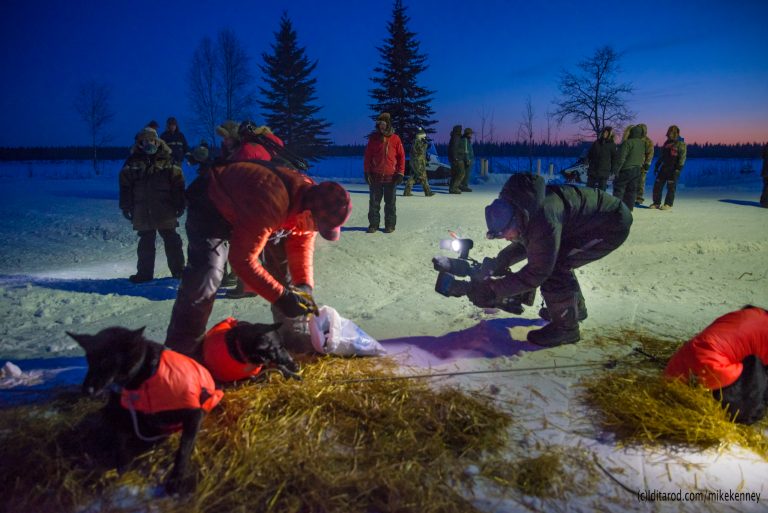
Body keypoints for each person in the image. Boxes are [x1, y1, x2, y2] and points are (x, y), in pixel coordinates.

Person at [165, 160, 352, 360]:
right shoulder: (272, 201)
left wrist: (304, 286)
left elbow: (301, 245)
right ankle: (182, 352)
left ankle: (293, 337)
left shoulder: (310, 202)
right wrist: (281, 298)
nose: (315, 232)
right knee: (207, 274)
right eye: (318, 228)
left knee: (285, 271)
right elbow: (242, 260)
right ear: (308, 215)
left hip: (257, 209)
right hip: (213, 203)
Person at [468, 173, 632, 347]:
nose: (505, 239)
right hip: (586, 222)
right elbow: (527, 242)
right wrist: (501, 262)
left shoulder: (543, 218)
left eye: (505, 234)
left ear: (515, 220)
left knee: (554, 267)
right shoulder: (524, 208)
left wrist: (494, 290)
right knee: (556, 260)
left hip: (610, 225)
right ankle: (574, 311)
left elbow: (538, 271)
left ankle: (566, 329)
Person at [665, 305, 768, 425]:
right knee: (757, 365)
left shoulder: (748, 315)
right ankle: (745, 415)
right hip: (713, 375)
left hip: (674, 375)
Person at [119, 127, 186, 283]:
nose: (149, 143)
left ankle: (179, 271)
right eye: (146, 140)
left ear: (157, 141)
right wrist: (126, 206)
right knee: (146, 242)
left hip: (165, 208)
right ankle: (144, 273)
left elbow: (178, 184)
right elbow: (125, 186)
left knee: (172, 239)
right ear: (140, 143)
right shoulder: (133, 161)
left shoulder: (168, 160)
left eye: (152, 140)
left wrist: (180, 203)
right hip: (142, 209)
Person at [363, 112, 405, 233]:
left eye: (383, 123)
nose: (381, 126)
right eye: (379, 124)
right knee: (374, 203)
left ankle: (390, 225)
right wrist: (367, 172)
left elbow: (401, 157)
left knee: (390, 203)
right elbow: (368, 157)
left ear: (388, 124)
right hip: (375, 176)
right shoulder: (374, 139)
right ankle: (373, 224)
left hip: (391, 177)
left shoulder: (396, 139)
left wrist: (400, 173)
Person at [651, 125, 687, 210]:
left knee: (671, 187)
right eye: (669, 132)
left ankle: (668, 204)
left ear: (676, 133)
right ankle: (656, 203)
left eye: (672, 132)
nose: (670, 134)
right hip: (664, 167)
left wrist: (679, 168)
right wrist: (657, 165)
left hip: (673, 168)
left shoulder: (680, 143)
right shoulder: (666, 143)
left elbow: (683, 156)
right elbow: (662, 156)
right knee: (657, 185)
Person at [611, 125, 645, 211]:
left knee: (619, 189)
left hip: (626, 169)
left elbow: (621, 158)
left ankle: (616, 209)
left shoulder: (628, 142)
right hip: (637, 170)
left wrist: (616, 170)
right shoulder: (642, 143)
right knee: (632, 191)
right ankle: (629, 209)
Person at [403, 127, 433, 197]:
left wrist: (426, 158)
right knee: (423, 176)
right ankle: (428, 192)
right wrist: (425, 144)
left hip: (416, 162)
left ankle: (407, 192)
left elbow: (419, 153)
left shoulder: (416, 141)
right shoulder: (418, 142)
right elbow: (420, 151)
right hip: (418, 162)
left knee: (413, 176)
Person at [586, 126, 617, 191]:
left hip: (604, 171)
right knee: (589, 189)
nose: (604, 134)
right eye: (604, 132)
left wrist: (613, 169)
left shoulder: (612, 145)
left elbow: (614, 158)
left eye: (606, 133)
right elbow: (590, 154)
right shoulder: (596, 142)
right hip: (593, 170)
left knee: (602, 191)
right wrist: (586, 160)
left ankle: (600, 201)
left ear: (610, 134)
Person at [635, 124, 654, 205]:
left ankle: (639, 198)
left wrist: (647, 163)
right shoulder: (634, 139)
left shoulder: (647, 141)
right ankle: (631, 197)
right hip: (633, 163)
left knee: (641, 182)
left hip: (642, 165)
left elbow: (650, 153)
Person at [447, 125, 466, 194]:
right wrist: (455, 158)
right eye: (460, 129)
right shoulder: (456, 137)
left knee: (455, 174)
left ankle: (452, 188)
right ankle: (454, 188)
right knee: (461, 173)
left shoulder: (455, 136)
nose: (461, 130)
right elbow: (454, 148)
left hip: (454, 158)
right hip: (457, 158)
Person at [460, 128, 475, 192]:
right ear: (468, 133)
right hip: (467, 160)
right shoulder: (465, 140)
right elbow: (465, 151)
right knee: (466, 174)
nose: (471, 135)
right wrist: (467, 159)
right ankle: (464, 186)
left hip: (469, 159)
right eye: (471, 133)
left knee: (466, 173)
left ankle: (463, 186)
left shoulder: (467, 140)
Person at [760, 142, 768, 208]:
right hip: (766, 171)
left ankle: (764, 202)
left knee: (766, 187)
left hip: (765, 171)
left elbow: (763, 156)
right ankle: (765, 203)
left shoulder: (765, 147)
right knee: (766, 187)